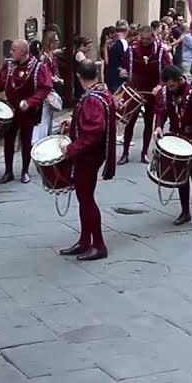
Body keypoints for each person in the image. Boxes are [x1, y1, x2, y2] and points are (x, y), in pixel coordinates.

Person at [59, 60, 116, 261]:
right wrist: (73, 122)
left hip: (89, 156)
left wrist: (71, 149)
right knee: (84, 199)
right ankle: (84, 240)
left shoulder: (92, 98)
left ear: (78, 76)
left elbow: (94, 133)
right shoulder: (102, 92)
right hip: (92, 154)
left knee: (86, 199)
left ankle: (98, 244)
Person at [154, 65, 192, 229]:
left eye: (172, 85)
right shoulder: (166, 92)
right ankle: (185, 211)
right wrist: (159, 125)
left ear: (181, 79)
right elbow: (160, 111)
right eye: (167, 85)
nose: (170, 88)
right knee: (180, 176)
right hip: (177, 136)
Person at [0, 39, 54, 184]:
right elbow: (1, 83)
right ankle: (8, 171)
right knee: (8, 138)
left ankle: (25, 171)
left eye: (13, 49)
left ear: (23, 51)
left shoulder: (38, 67)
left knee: (26, 140)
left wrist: (30, 102)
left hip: (28, 109)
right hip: (11, 108)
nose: (10, 52)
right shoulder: (8, 65)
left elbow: (45, 88)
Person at [119, 25, 172, 165]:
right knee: (130, 121)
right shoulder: (131, 50)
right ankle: (125, 153)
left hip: (152, 91)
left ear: (153, 37)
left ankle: (144, 152)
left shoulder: (161, 51)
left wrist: (160, 85)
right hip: (136, 90)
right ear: (138, 37)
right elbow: (124, 66)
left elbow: (168, 71)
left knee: (149, 122)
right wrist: (123, 71)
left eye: (148, 39)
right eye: (142, 39)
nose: (145, 41)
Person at [104, 20, 129, 92]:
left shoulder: (112, 41)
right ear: (127, 30)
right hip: (119, 77)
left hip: (110, 75)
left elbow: (107, 61)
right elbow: (126, 58)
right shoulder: (123, 42)